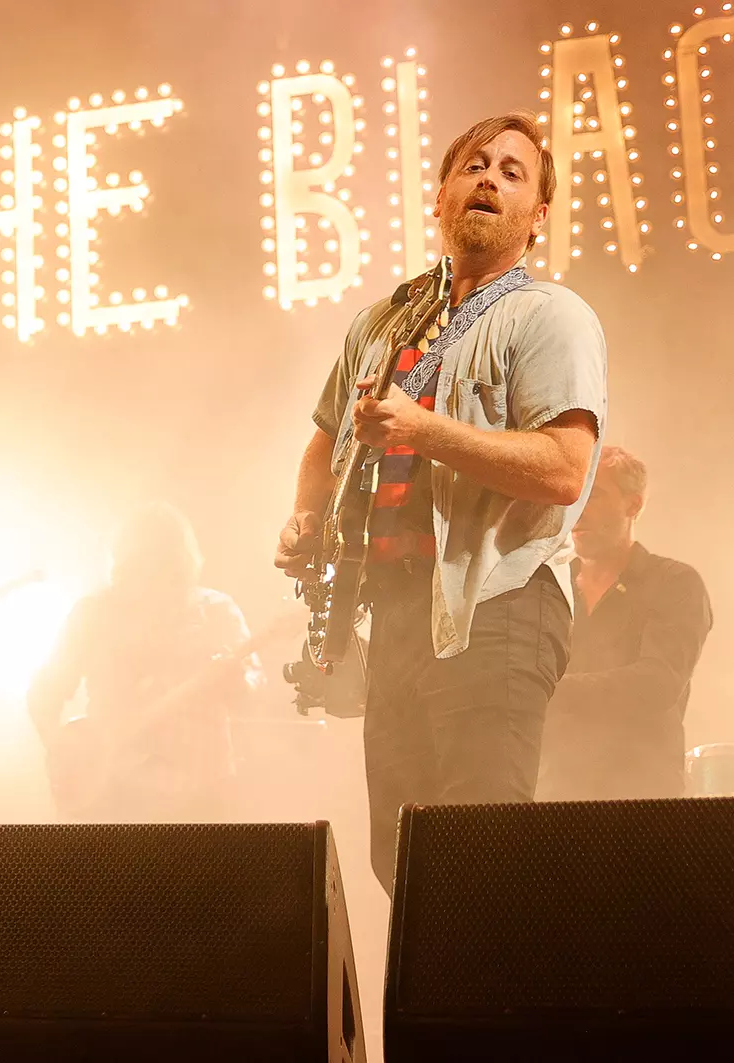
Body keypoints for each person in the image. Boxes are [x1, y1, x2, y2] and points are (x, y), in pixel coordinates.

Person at [274, 112, 608, 893]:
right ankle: (433, 1015)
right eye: (476, 165)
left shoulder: (551, 316)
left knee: (480, 853)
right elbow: (326, 440)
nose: (491, 178)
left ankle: (498, 1012)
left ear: (537, 217)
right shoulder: (379, 324)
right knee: (402, 860)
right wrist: (306, 518)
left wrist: (426, 429)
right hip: (394, 619)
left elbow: (565, 470)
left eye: (514, 172)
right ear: (441, 195)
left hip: (499, 607)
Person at [28, 503, 260, 823]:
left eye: (162, 566)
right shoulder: (93, 614)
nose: (151, 579)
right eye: (141, 565)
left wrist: (236, 682)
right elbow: (43, 694)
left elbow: (253, 692)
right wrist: (69, 762)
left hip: (202, 795)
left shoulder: (217, 611)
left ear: (180, 564)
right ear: (124, 565)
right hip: (112, 799)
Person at [537, 446, 713, 799]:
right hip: (553, 791)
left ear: (633, 505)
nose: (579, 510)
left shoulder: (675, 582)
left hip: (644, 797)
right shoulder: (548, 585)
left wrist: (543, 693)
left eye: (595, 495)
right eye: (576, 495)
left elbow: (658, 683)